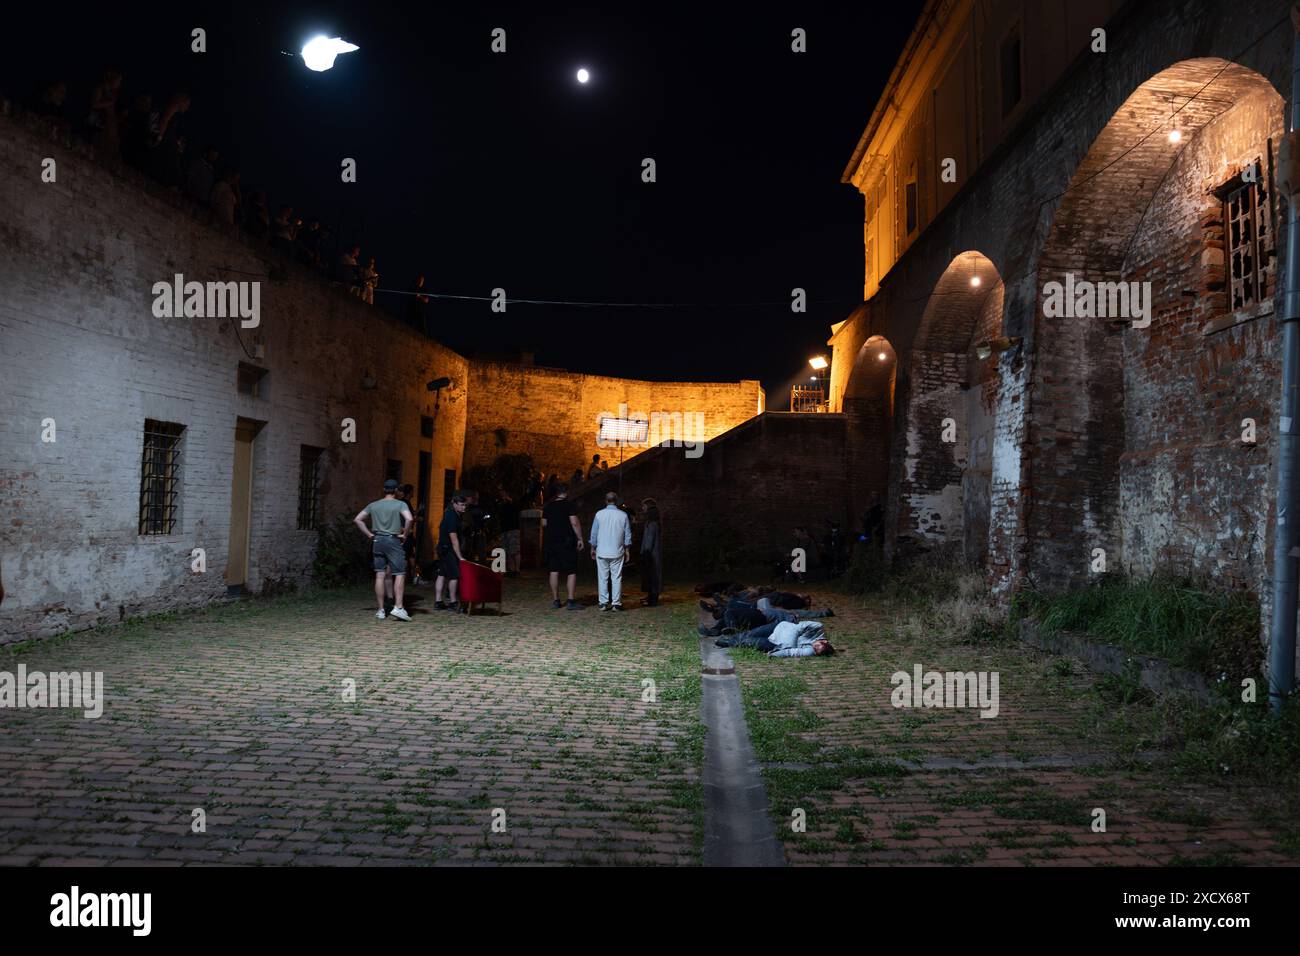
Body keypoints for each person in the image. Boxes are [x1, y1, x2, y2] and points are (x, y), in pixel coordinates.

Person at [353, 478, 414, 621]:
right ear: (396, 491)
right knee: (399, 573)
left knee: (380, 574)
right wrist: (405, 534)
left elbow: (358, 519)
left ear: (384, 489)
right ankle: (398, 607)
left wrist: (369, 534)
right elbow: (410, 519)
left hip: (377, 540)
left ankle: (381, 610)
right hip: (392, 540)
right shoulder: (400, 504)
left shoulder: (374, 505)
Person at [543, 484, 584, 609]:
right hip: (567, 541)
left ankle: (556, 600)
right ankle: (570, 601)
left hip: (551, 542)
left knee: (553, 570)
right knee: (571, 570)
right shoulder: (569, 505)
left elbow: (543, 523)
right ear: (565, 493)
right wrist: (580, 538)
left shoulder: (548, 506)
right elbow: (574, 522)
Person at [590, 492, 631, 611]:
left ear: (606, 501)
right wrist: (627, 549)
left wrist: (593, 547)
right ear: (616, 501)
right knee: (616, 577)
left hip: (602, 550)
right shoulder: (623, 515)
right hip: (617, 550)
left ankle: (603, 603)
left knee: (602, 577)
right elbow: (627, 535)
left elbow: (594, 534)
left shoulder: (599, 514)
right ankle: (616, 603)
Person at [715, 619, 835, 658]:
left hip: (774, 643)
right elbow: (797, 628)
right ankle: (730, 636)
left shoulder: (811, 651)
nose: (814, 647)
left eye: (816, 650)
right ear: (824, 641)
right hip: (780, 627)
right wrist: (789, 643)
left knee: (748, 641)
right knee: (750, 633)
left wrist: (774, 654)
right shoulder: (818, 627)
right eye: (817, 645)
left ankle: (728, 642)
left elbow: (791, 652)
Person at [434, 493, 468, 611]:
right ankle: (453, 602)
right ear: (454, 504)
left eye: (465, 505)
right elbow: (454, 539)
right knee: (454, 575)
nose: (464, 507)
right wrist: (460, 556)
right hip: (448, 549)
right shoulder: (452, 517)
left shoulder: (450, 514)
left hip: (442, 548)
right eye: (461, 505)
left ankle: (438, 601)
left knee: (442, 574)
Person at [639, 498, 662, 607]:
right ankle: (650, 597)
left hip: (651, 555)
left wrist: (645, 553)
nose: (642, 508)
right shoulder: (653, 523)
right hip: (651, 554)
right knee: (651, 576)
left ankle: (652, 599)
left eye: (644, 506)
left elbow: (649, 541)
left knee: (653, 576)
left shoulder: (652, 524)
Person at [500, 492, 521, 577]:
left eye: (504, 495)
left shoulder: (514, 504)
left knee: (515, 550)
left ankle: (517, 569)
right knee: (507, 551)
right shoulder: (502, 505)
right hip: (505, 529)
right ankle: (511, 570)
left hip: (513, 529)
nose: (503, 497)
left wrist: (510, 501)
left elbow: (517, 510)